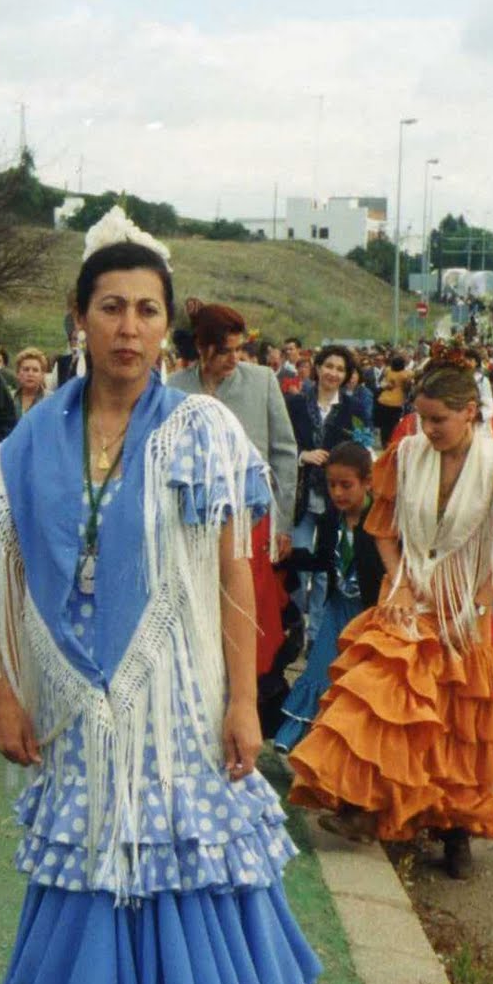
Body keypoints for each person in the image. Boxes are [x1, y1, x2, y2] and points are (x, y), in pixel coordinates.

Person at [0, 206, 325, 984]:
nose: (128, 329)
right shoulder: (26, 446)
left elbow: (231, 575)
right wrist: (5, 686)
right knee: (90, 882)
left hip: (176, 698)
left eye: (146, 311)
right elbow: (5, 580)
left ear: (167, 327)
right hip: (75, 705)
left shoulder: (201, 430)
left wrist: (245, 708)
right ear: (78, 318)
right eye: (110, 308)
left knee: (185, 880)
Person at [288, 353, 493, 880]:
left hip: (463, 607)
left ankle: (456, 836)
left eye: (439, 421)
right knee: (377, 690)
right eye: (422, 419)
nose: (427, 430)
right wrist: (402, 582)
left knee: (454, 724)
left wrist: (474, 605)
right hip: (407, 595)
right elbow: (382, 528)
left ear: (470, 412)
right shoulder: (405, 454)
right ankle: (362, 809)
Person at [167, 302, 298, 685]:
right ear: (201, 347)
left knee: (247, 622)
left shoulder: (261, 381)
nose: (233, 359)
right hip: (193, 530)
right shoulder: (175, 388)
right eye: (224, 351)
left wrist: (281, 523)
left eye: (238, 350)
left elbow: (285, 455)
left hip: (251, 527)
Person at [275, 443, 382, 754]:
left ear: (367, 481)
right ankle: (299, 743)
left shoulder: (379, 523)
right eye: (331, 485)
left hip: (368, 616)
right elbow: (323, 561)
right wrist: (285, 559)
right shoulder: (330, 520)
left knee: (354, 682)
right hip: (336, 610)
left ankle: (340, 752)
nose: (337, 492)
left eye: (346, 485)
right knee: (321, 669)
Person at [286, 345, 360, 644]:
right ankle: (294, 627)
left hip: (335, 497)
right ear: (317, 367)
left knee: (325, 568)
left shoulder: (352, 408)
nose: (333, 373)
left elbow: (359, 449)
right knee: (298, 561)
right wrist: (303, 455)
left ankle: (316, 633)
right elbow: (280, 443)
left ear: (346, 376)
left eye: (340, 369)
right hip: (301, 494)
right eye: (328, 366)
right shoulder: (294, 403)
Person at [374, 353, 412, 445]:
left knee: (384, 426)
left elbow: (381, 381)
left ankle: (384, 442)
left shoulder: (387, 371)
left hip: (383, 401)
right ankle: (391, 442)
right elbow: (407, 389)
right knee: (393, 425)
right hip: (396, 403)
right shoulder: (407, 375)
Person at [13, 348, 50, 418]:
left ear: (42, 375)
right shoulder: (9, 398)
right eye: (26, 369)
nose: (30, 374)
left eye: (35, 370)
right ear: (18, 373)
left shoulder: (52, 399)